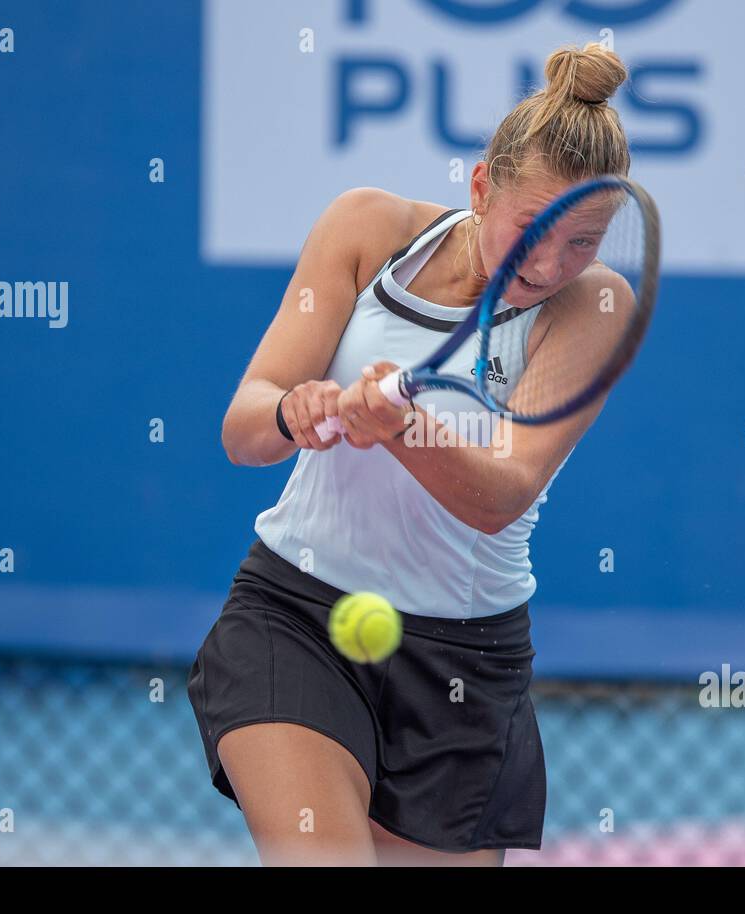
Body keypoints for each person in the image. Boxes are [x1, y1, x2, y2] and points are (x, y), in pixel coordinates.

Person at [187, 42, 633, 866]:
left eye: (582, 242)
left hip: (464, 663)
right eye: (531, 231)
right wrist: (296, 408)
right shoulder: (365, 227)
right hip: (296, 618)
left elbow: (503, 491)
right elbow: (243, 428)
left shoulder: (597, 306)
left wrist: (400, 428)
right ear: (479, 187)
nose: (548, 264)